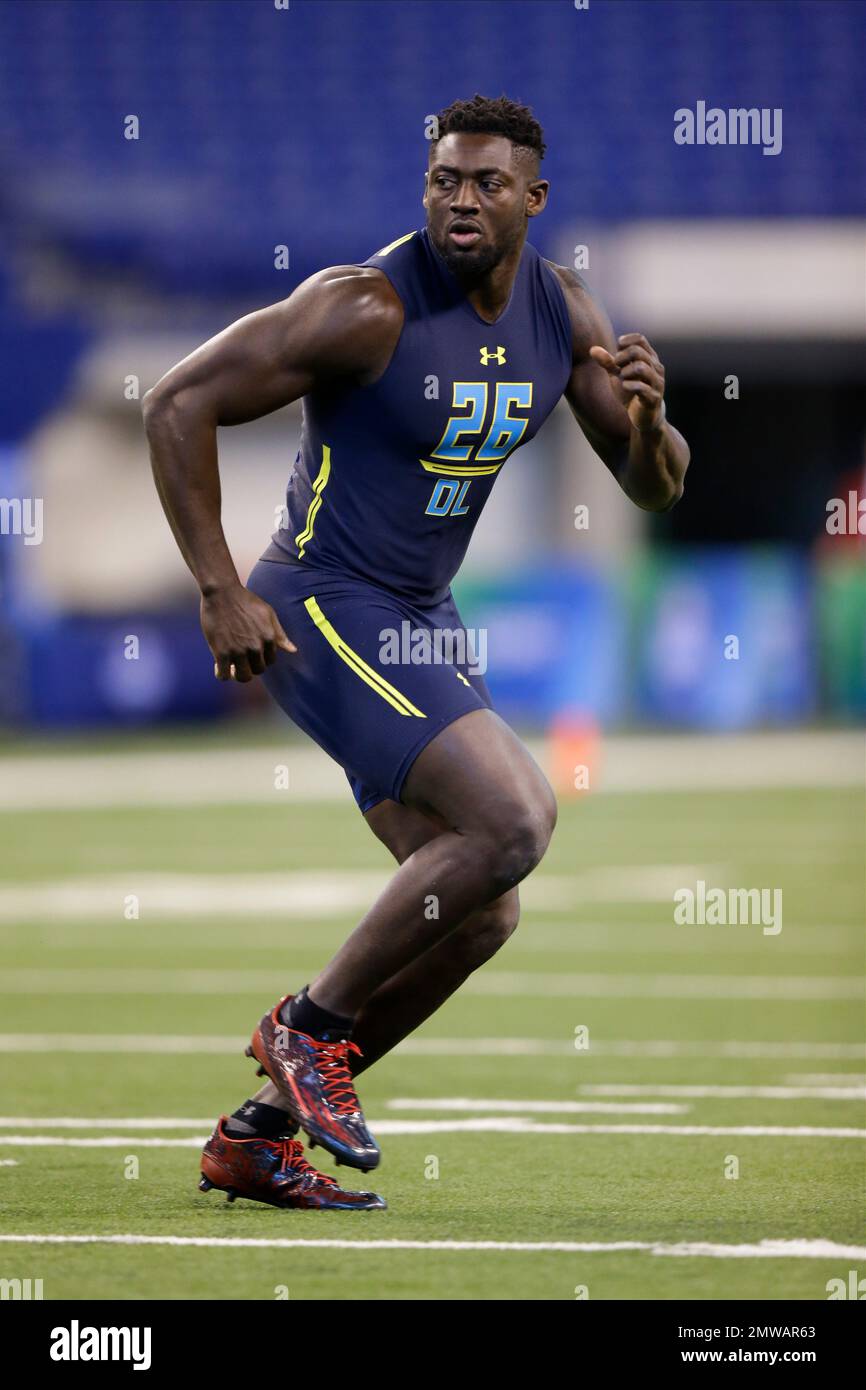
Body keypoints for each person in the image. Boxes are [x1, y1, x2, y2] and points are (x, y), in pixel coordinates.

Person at [143, 93, 689, 1211]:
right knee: (517, 818)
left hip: (416, 616)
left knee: (483, 902)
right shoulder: (364, 306)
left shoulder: (562, 312)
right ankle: (306, 1027)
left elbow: (654, 484)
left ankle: (257, 1136)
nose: (460, 199)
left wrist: (645, 424)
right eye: (444, 178)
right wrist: (214, 590)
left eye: (486, 183)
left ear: (534, 200)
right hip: (320, 599)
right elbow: (178, 400)